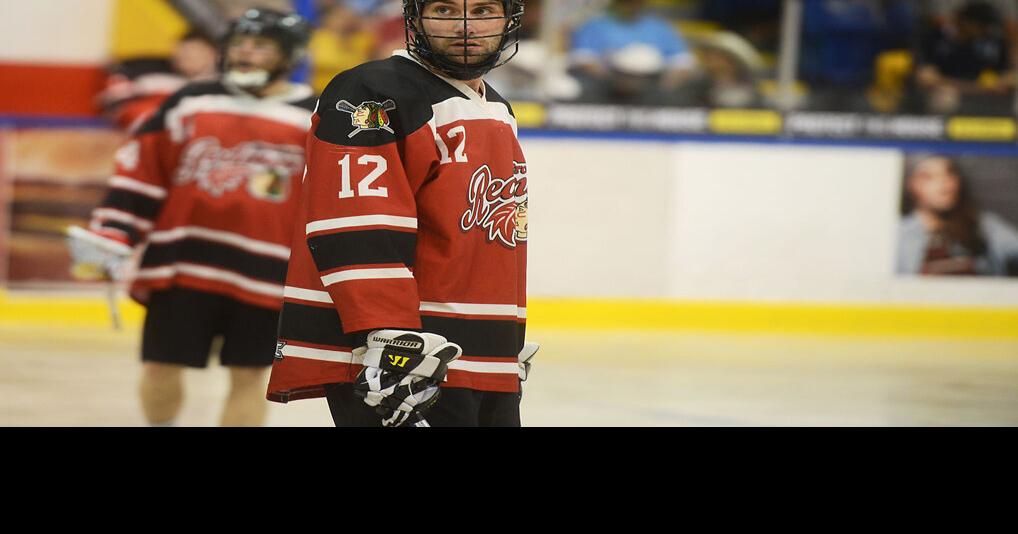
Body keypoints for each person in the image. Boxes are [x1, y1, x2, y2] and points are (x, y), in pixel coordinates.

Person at [266, 0, 537, 427]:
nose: (466, 26)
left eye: (484, 10)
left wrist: (500, 341)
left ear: (509, 20)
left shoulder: (496, 106)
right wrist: (389, 335)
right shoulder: (373, 91)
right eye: (445, 10)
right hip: (403, 352)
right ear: (414, 18)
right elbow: (355, 220)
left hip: (477, 352)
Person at [68, 9, 316, 426]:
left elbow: (327, 201)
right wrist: (114, 232)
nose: (245, 53)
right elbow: (143, 170)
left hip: (268, 272)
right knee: (160, 366)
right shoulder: (190, 101)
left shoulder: (315, 115)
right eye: (238, 44)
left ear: (288, 55)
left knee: (248, 376)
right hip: (182, 263)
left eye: (260, 46)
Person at [897, 154, 1018, 277]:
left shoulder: (983, 225)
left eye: (949, 173)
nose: (943, 182)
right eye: (928, 176)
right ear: (911, 184)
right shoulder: (897, 233)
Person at [568, 0, 696, 104]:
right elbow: (583, 59)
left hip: (655, 88)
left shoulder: (660, 28)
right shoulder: (595, 25)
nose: (633, 4)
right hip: (608, 88)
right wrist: (614, 81)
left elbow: (683, 63)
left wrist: (663, 86)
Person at [914, 1, 1016, 114]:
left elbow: (1010, 76)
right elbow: (926, 78)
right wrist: (979, 88)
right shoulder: (937, 38)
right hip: (951, 92)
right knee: (945, 98)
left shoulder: (993, 42)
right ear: (965, 22)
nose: (986, 29)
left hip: (986, 97)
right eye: (981, 25)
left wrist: (999, 82)